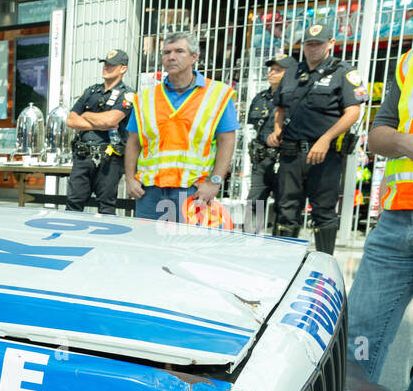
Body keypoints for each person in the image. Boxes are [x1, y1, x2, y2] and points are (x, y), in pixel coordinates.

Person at [346, 47, 413, 391]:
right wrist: (407, 142)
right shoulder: (409, 61)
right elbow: (379, 134)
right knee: (361, 331)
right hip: (398, 218)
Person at [268, 23, 365, 253]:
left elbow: (353, 111)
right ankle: (286, 261)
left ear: (331, 44)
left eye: (318, 44)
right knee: (286, 209)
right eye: (309, 44)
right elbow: (280, 107)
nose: (313, 49)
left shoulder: (343, 72)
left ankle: (324, 262)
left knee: (323, 211)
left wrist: (326, 139)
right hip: (291, 154)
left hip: (324, 155)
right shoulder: (291, 72)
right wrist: (276, 129)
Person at [124, 31, 238, 222]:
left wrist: (215, 182)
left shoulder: (217, 94)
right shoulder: (145, 97)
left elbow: (227, 139)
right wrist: (129, 178)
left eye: (179, 51)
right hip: (149, 191)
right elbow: (133, 141)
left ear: (194, 57)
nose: (171, 57)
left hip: (193, 190)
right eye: (167, 52)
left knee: (186, 247)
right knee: (148, 248)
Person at [66, 49, 133, 214]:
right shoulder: (91, 91)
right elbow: (71, 120)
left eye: (112, 65)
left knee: (106, 207)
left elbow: (110, 121)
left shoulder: (127, 94)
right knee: (73, 204)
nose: (106, 67)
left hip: (109, 159)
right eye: (105, 64)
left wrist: (87, 115)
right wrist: (98, 123)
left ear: (123, 69)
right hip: (82, 156)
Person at [245, 54, 293, 233]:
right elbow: (254, 127)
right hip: (262, 159)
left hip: (286, 158)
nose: (272, 73)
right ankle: (250, 239)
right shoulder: (260, 98)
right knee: (254, 201)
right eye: (271, 69)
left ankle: (279, 244)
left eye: (278, 70)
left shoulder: (295, 98)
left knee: (285, 203)